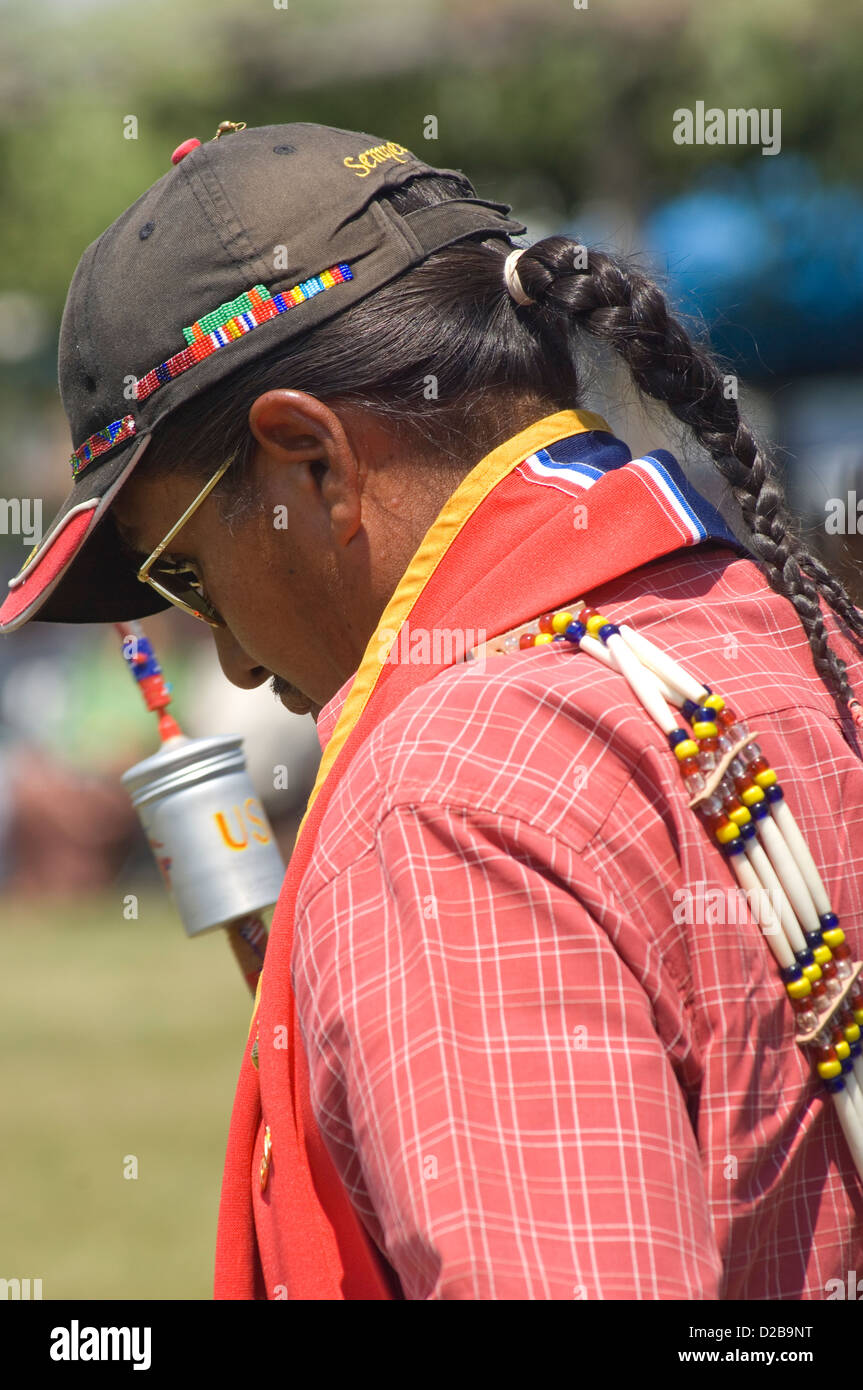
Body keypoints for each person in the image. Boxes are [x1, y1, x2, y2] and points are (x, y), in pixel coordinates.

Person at [3, 120, 863, 1301]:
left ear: (311, 461)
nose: (235, 665)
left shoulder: (445, 797)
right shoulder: (799, 640)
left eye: (188, 575)